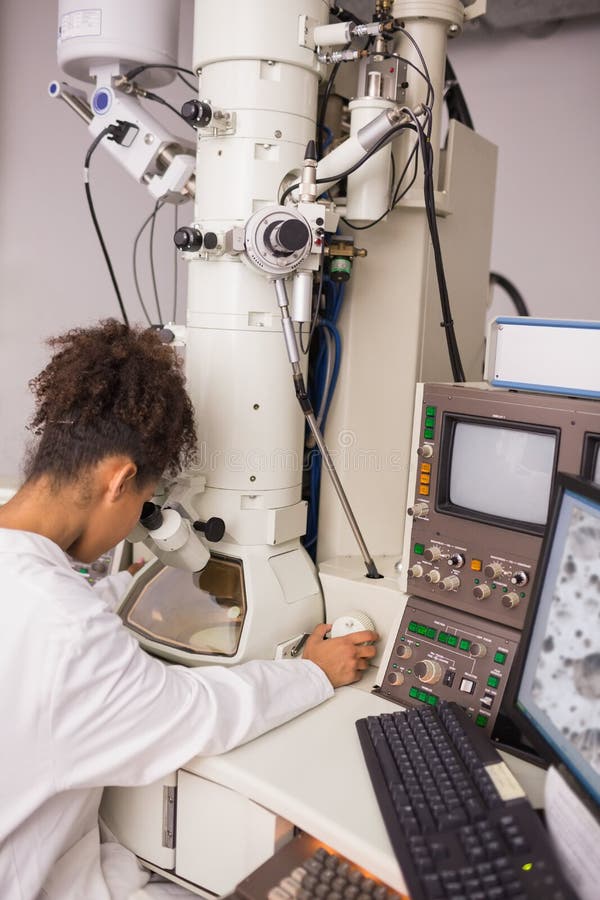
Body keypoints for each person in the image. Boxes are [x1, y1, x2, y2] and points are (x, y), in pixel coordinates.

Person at [0, 320, 378, 900]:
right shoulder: (65, 630)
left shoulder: (43, 594)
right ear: (120, 480)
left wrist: (113, 590)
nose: (140, 522)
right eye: (146, 504)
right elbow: (195, 711)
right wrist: (313, 672)